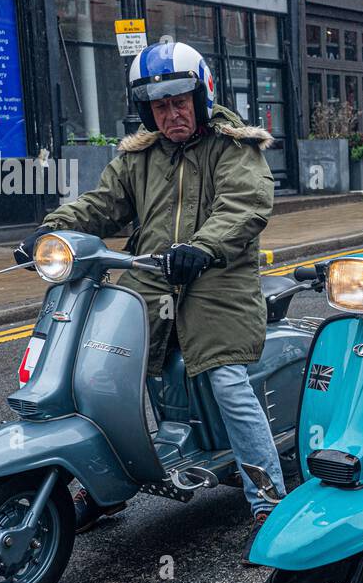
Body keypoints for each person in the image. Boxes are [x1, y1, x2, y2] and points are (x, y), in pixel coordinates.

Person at [14, 42, 285, 532]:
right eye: (160, 106)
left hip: (217, 280)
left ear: (201, 96)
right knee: (96, 368)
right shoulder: (139, 158)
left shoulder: (233, 147)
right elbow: (100, 204)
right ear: (147, 111)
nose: (171, 114)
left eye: (180, 101)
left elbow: (244, 206)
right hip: (152, 279)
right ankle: (99, 485)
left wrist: (202, 247)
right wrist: (50, 231)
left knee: (227, 382)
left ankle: (267, 497)